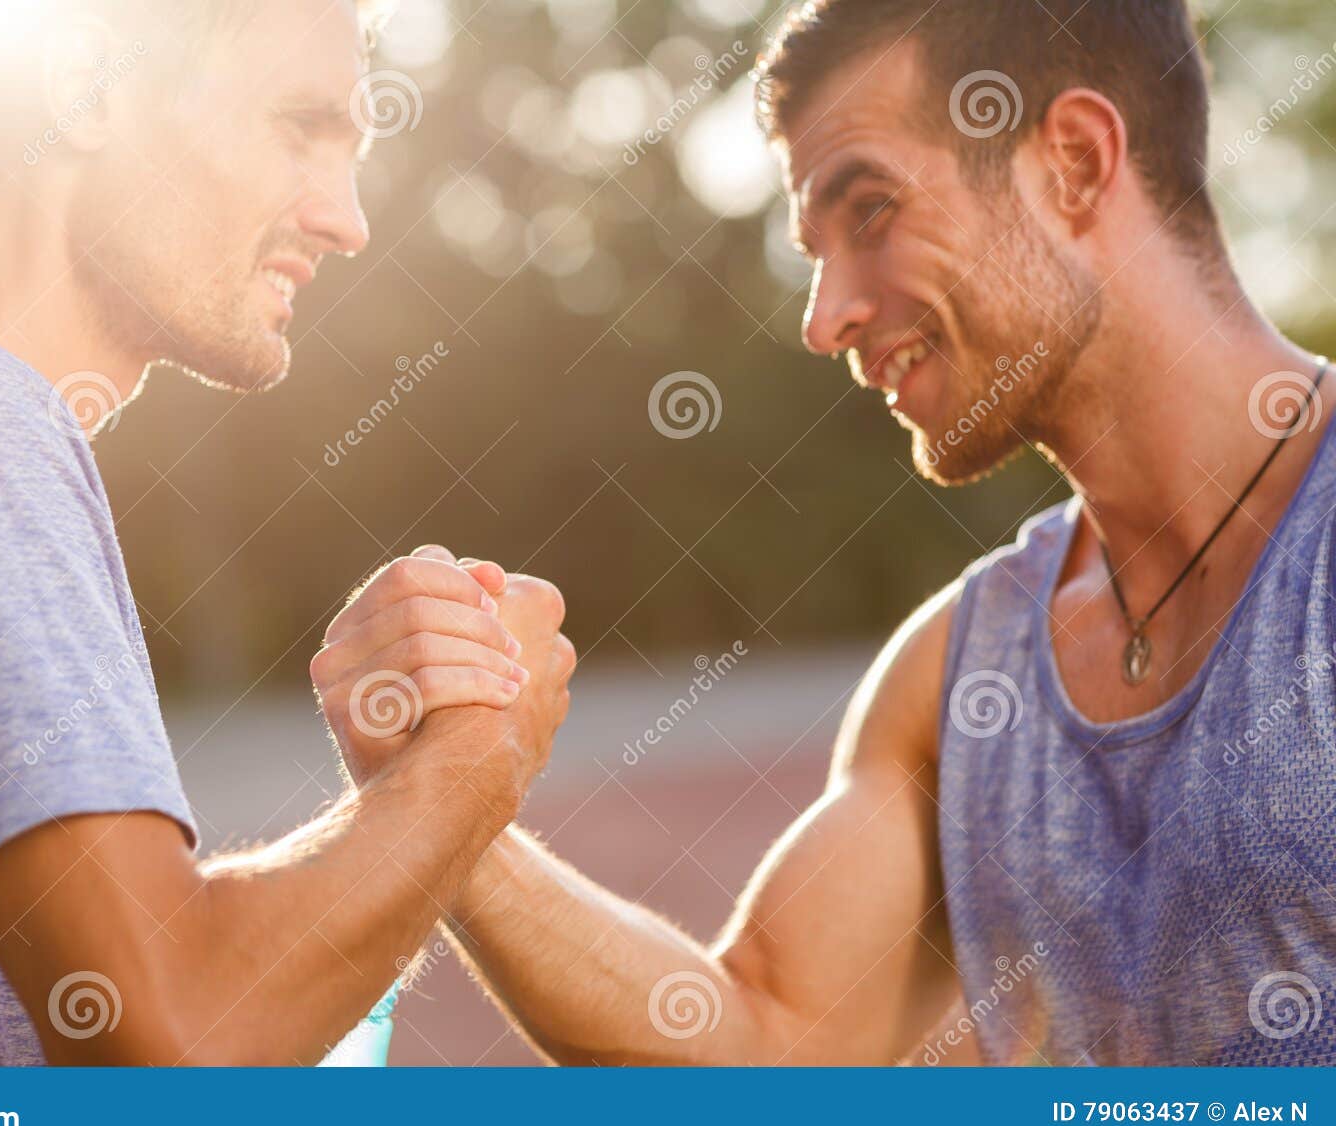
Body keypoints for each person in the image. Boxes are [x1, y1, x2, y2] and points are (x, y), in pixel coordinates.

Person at [334, 0, 1336, 1065]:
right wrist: (446, 799)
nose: (824, 319)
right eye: (812, 251)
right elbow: (762, 1047)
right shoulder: (960, 669)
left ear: (1076, 163)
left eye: (868, 213)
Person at [0, 0, 573, 1065]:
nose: (347, 217)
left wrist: (386, 831)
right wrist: (477, 757)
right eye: (300, 127)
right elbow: (175, 1033)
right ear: (84, 83)